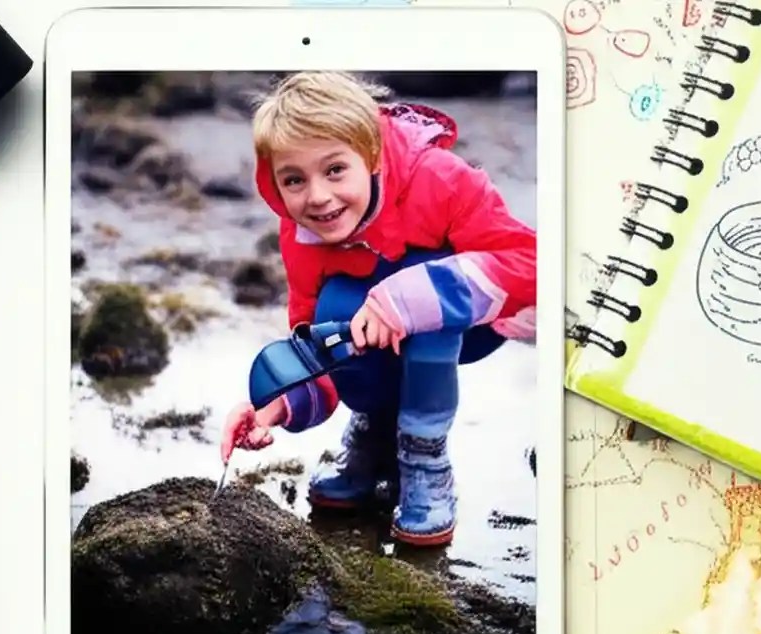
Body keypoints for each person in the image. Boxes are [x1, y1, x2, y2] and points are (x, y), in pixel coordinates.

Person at [219, 71, 537, 547]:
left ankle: (425, 457)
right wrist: (276, 404)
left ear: (369, 156)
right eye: (294, 180)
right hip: (372, 327)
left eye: (334, 170)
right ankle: (376, 431)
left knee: (424, 299)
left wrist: (404, 300)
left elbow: (530, 263)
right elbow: (313, 340)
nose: (318, 197)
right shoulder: (300, 234)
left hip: (473, 322)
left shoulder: (440, 179)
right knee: (334, 309)